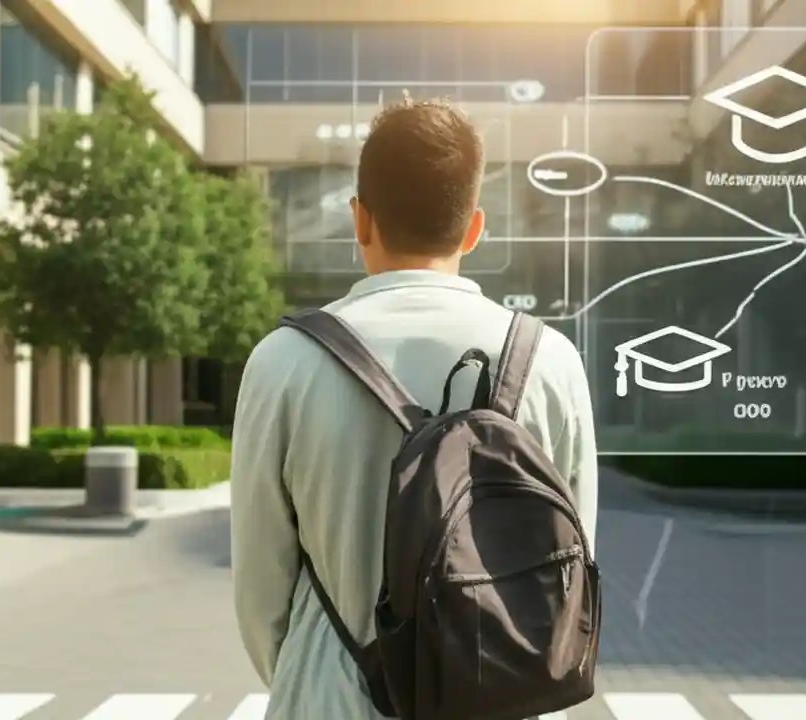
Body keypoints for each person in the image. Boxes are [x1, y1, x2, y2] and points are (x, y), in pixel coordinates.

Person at [230, 96, 599, 719]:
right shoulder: (550, 360)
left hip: (332, 700)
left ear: (359, 219)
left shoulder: (283, 361)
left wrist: (311, 675)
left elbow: (261, 588)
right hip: (500, 701)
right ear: (474, 227)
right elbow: (571, 567)